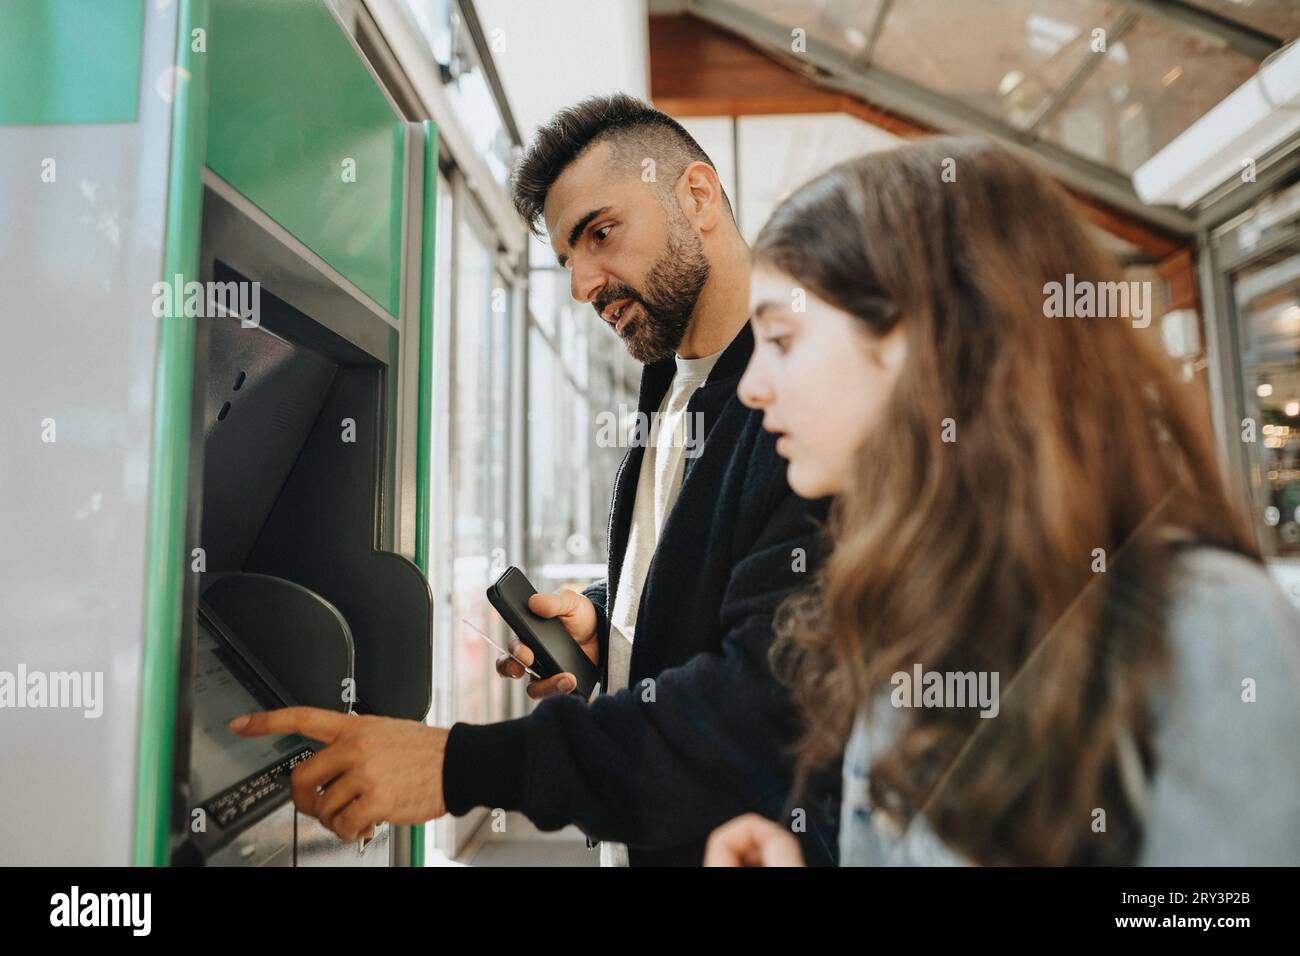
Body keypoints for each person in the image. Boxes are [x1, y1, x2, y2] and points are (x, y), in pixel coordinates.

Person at [230, 94, 841, 866]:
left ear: (696, 195)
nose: (585, 285)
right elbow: (724, 586)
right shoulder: (669, 387)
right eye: (567, 261)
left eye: (601, 233)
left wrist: (458, 766)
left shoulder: (803, 406)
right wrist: (610, 625)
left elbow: (758, 714)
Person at [704, 136, 1300, 867]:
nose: (750, 386)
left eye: (784, 338)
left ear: (931, 341)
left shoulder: (1207, 624)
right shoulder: (916, 601)